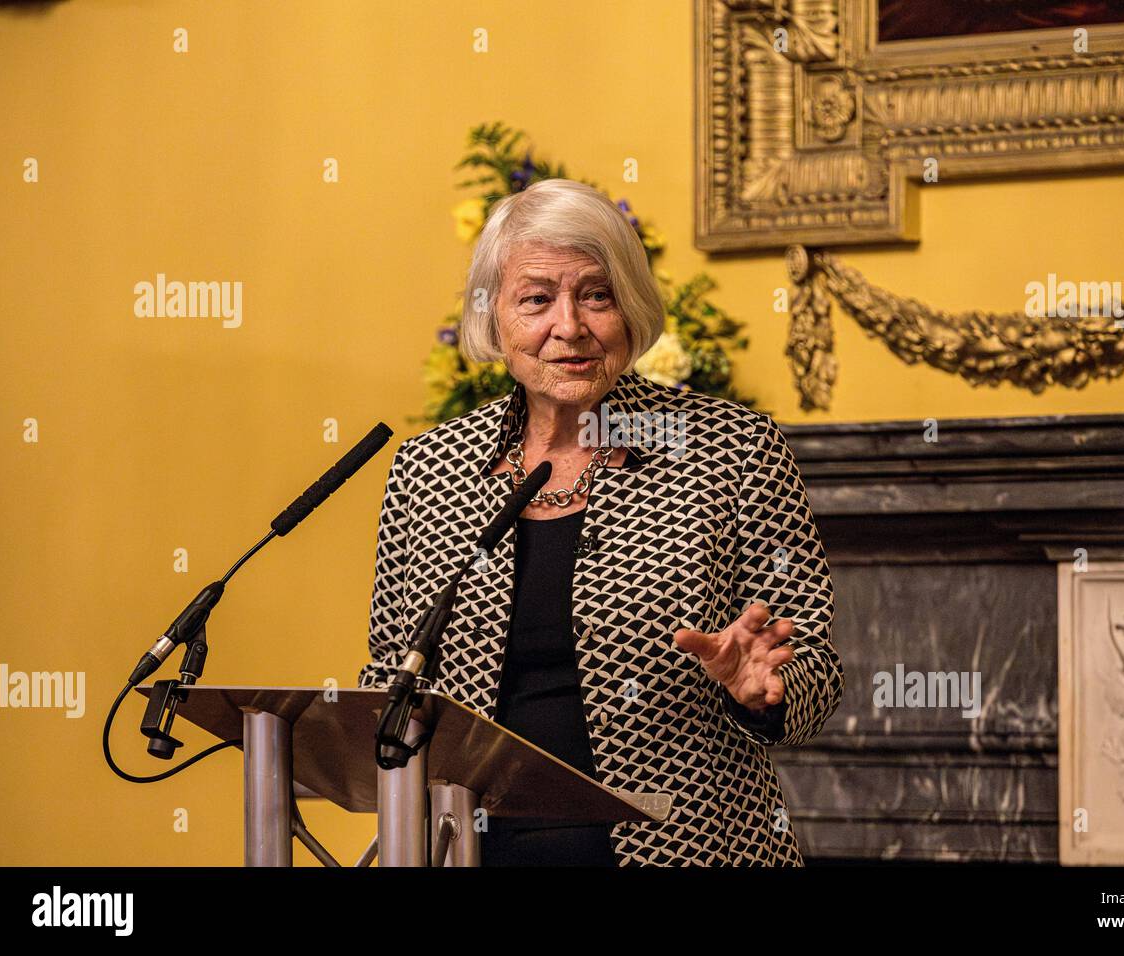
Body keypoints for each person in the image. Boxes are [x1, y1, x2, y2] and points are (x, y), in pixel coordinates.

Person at [358, 178, 844, 865]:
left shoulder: (731, 450)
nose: (570, 327)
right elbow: (390, 673)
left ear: (632, 308)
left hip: (684, 848)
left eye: (597, 295)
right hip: (468, 848)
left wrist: (763, 691)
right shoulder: (427, 469)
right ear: (493, 318)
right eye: (536, 300)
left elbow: (815, 668)